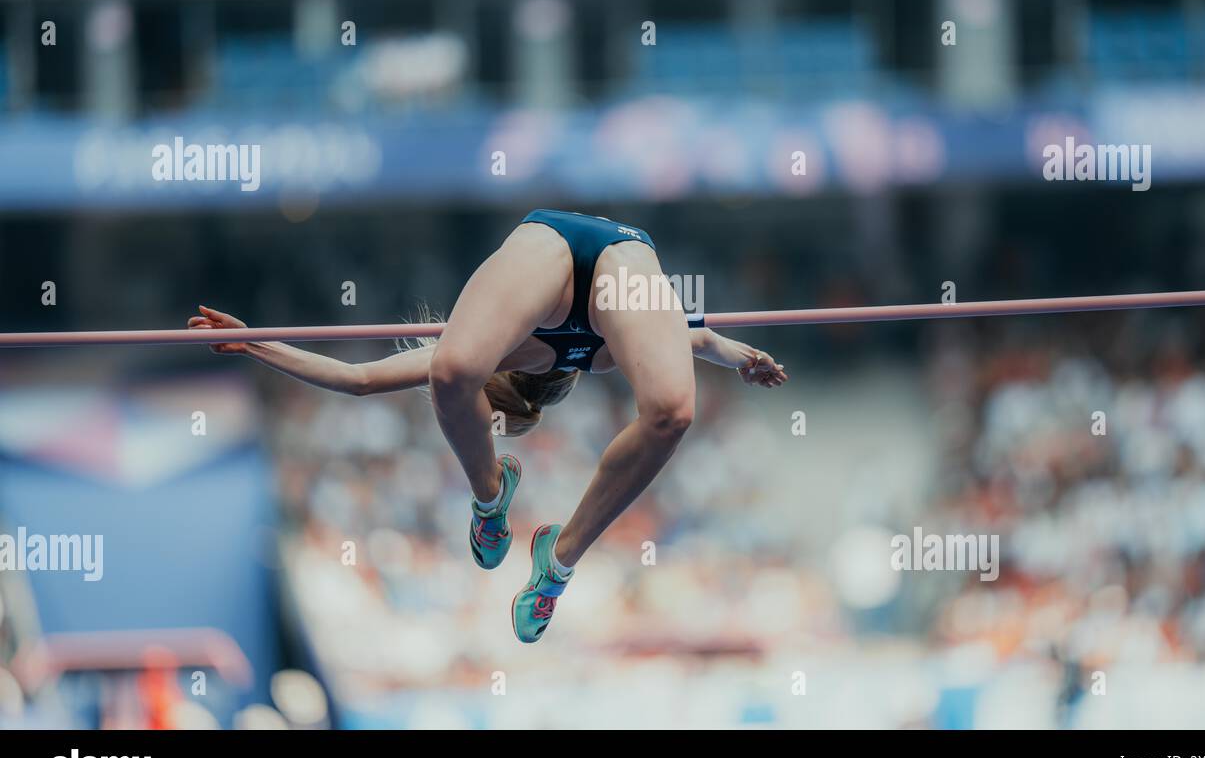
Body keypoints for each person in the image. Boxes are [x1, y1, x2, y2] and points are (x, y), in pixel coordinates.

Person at [189, 208, 787, 642]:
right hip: (615, 258)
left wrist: (255, 343)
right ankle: (493, 501)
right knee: (457, 373)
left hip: (561, 248)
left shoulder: (552, 355)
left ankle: (554, 554)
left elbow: (360, 378)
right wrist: (743, 360)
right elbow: (700, 335)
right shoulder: (586, 353)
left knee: (669, 414)